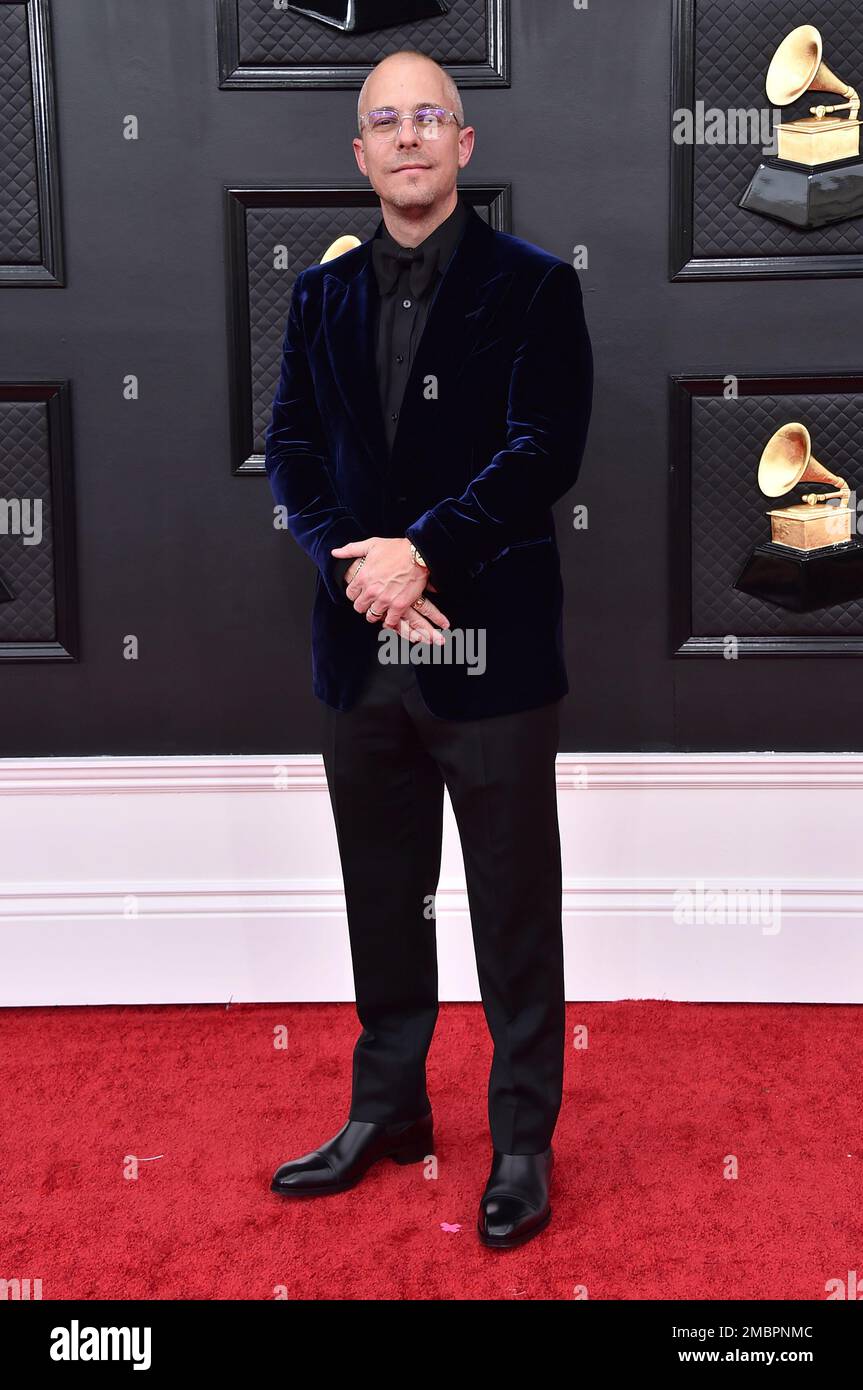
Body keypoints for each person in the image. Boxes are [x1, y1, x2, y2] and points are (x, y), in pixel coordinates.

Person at [264, 48, 593, 1249]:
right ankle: (389, 1111)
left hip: (489, 654)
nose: (408, 137)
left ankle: (518, 1141)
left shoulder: (535, 288)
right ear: (361, 155)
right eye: (384, 121)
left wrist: (425, 557)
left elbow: (541, 451)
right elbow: (290, 455)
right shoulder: (317, 297)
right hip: (362, 652)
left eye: (429, 118)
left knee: (512, 906)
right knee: (381, 900)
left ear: (462, 145)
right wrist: (361, 571)